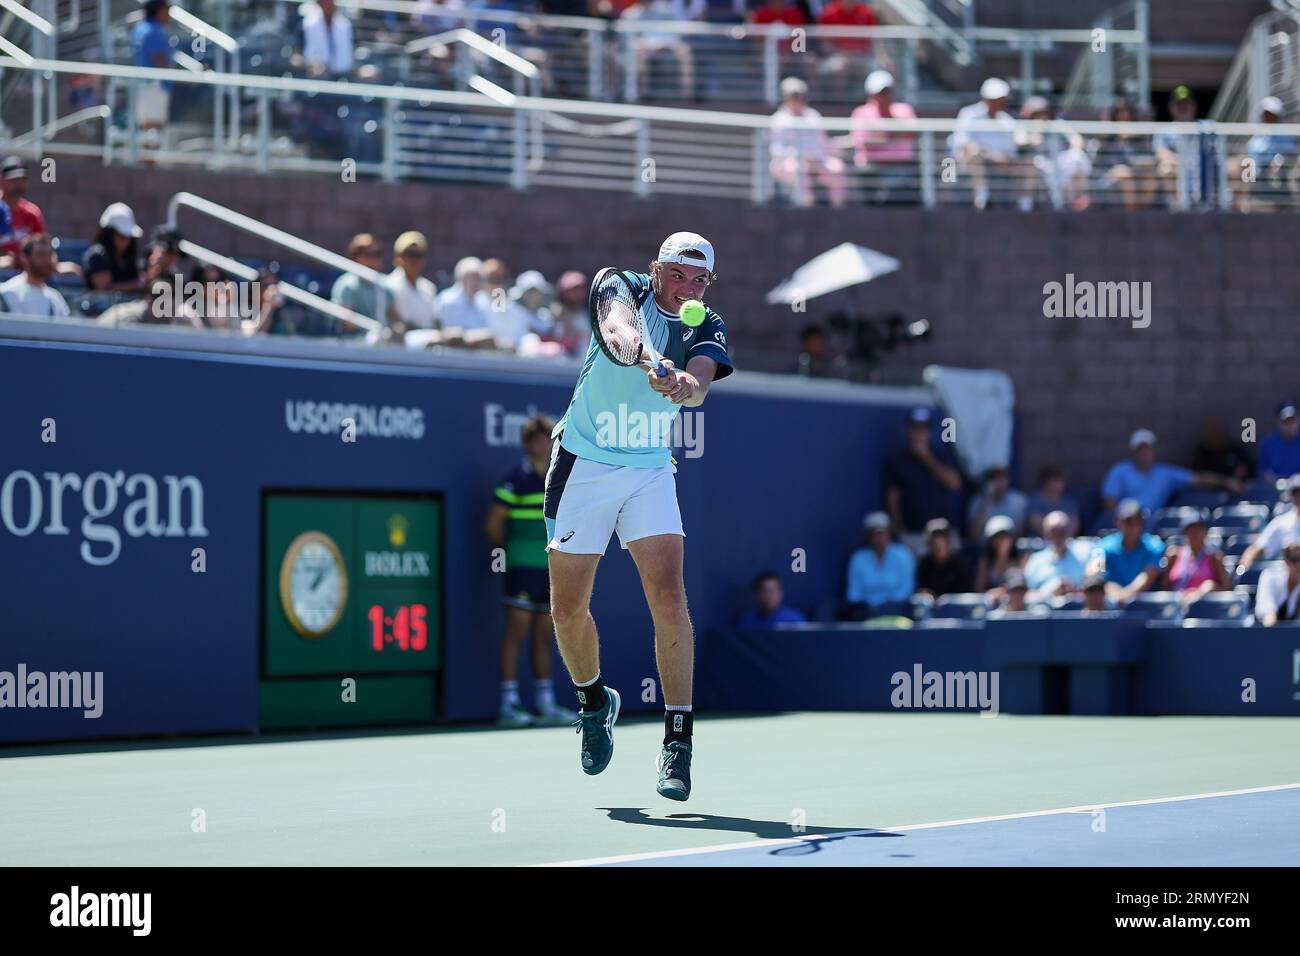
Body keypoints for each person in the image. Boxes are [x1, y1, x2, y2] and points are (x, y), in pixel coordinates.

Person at [545, 231, 733, 802]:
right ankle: (594, 699)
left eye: (699, 279)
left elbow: (700, 382)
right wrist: (653, 360)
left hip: (649, 467)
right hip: (583, 463)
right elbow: (621, 333)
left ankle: (679, 742)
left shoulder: (707, 322)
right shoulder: (617, 284)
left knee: (669, 598)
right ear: (656, 269)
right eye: (679, 275)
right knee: (567, 610)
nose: (689, 288)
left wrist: (685, 383)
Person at [484, 415, 574, 728]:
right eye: (536, 439)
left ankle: (544, 703)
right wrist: (514, 551)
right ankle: (508, 704)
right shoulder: (515, 480)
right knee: (516, 633)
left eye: (546, 438)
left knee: (544, 635)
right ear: (526, 444)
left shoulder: (555, 479)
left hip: (549, 569)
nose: (542, 444)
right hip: (521, 568)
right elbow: (493, 524)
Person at [1101, 428, 1243, 523]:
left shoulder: (1165, 473)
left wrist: (1227, 482)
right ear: (1133, 452)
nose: (1144, 454)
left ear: (1153, 451)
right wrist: (1124, 522)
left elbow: (1198, 478)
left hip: (1151, 526)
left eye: (1147, 449)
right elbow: (1109, 500)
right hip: (1123, 524)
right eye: (1140, 450)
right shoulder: (1119, 471)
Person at [883, 406, 962, 551]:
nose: (920, 433)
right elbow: (893, 497)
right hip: (914, 534)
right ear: (908, 430)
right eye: (916, 428)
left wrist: (926, 457)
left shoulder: (940, 454)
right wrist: (899, 528)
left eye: (924, 428)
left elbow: (954, 483)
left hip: (943, 534)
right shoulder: (898, 460)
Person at [952, 77, 1032, 211]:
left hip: (1004, 164)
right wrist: (990, 156)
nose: (997, 103)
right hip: (976, 162)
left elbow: (1014, 147)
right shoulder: (969, 114)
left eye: (1000, 99)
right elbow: (962, 143)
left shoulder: (1007, 120)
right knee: (973, 153)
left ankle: (1026, 206)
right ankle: (982, 196)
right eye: (993, 99)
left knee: (1031, 164)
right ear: (984, 98)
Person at [769, 77, 847, 208]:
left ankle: (837, 209)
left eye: (800, 96)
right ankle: (806, 208)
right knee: (800, 171)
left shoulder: (813, 115)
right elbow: (777, 151)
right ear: (785, 97)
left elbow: (824, 142)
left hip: (817, 161)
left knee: (837, 168)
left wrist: (840, 145)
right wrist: (802, 158)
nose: (797, 99)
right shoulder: (779, 120)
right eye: (793, 96)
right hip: (788, 164)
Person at [850, 70, 917, 201]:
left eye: (887, 91)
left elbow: (912, 133)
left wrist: (881, 135)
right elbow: (864, 141)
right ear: (870, 93)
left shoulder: (904, 109)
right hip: (872, 166)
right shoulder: (861, 113)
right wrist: (894, 136)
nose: (884, 96)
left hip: (902, 165)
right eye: (880, 92)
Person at [1089, 499, 1166, 604]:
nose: (1132, 527)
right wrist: (1109, 588)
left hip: (1144, 608)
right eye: (1128, 522)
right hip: (1109, 605)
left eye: (1137, 522)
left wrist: (1124, 595)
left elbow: (1147, 577)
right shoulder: (1103, 547)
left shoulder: (1154, 546)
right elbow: (1094, 574)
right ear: (1117, 522)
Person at [845, 511, 916, 618]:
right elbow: (854, 593)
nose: (880, 538)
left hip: (896, 610)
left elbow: (906, 589)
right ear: (869, 536)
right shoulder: (858, 558)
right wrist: (870, 606)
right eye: (876, 534)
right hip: (865, 612)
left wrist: (885, 606)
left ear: (890, 533)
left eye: (884, 533)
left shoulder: (903, 554)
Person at [1093, 98, 1156, 211]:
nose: (1124, 116)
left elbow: (1150, 161)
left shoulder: (1139, 141)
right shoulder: (1107, 141)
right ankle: (1133, 218)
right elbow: (1097, 170)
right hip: (1108, 181)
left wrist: (1131, 166)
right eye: (1120, 114)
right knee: (1124, 175)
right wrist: (1113, 173)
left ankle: (1141, 214)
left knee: (1149, 177)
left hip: (1135, 179)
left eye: (1127, 113)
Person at [1163, 511, 1228, 607]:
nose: (1195, 533)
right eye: (1191, 529)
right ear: (1185, 533)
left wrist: (1207, 589)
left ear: (1205, 532)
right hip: (1175, 607)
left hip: (1204, 608)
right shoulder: (1173, 555)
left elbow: (1227, 590)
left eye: (1199, 529)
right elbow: (1164, 588)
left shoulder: (1215, 557)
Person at [1237, 474, 1300, 573]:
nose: (1299, 498)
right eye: (1296, 494)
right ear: (1291, 497)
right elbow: (1257, 547)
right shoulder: (1281, 522)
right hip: (1286, 580)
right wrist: (1243, 568)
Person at [330, 233, 392, 333]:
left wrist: (397, 329)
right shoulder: (346, 285)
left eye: (377, 254)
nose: (373, 260)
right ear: (355, 257)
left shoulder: (385, 285)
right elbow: (348, 325)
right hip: (353, 344)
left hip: (382, 343)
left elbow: (395, 317)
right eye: (367, 255)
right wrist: (376, 330)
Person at [385, 231, 438, 343]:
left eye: (419, 255)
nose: (415, 260)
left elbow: (433, 322)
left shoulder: (429, 288)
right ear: (398, 257)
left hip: (429, 342)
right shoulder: (388, 285)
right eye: (410, 254)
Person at [1023, 510, 1088, 602]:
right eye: (1053, 531)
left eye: (1062, 531)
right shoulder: (1035, 560)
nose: (1058, 536)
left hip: (1078, 612)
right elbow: (1025, 596)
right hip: (1043, 613)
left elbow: (1096, 589)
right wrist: (1049, 593)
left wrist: (1075, 591)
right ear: (1045, 533)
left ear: (1070, 531)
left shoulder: (1086, 554)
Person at [0, 234, 71, 319]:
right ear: (24, 258)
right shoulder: (6, 293)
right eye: (41, 255)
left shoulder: (56, 299)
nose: (47, 260)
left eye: (49, 255)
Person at [131, 0, 173, 140]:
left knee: (147, 125)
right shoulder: (154, 31)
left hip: (144, 83)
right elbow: (159, 58)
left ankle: (146, 158)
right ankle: (148, 160)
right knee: (154, 127)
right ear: (159, 11)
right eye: (166, 10)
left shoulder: (141, 28)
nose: (169, 15)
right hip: (155, 84)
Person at [83, 203, 143, 294]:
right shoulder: (97, 255)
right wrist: (137, 285)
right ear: (109, 235)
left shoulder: (127, 258)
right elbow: (104, 289)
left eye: (129, 237)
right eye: (121, 236)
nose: (126, 242)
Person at [0, 156, 49, 267]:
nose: (19, 184)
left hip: (27, 268)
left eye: (22, 180)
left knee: (72, 270)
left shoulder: (32, 212)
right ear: (1, 181)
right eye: (13, 180)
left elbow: (43, 245)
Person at [966, 464, 1028, 541]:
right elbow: (974, 535)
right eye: (994, 478)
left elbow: (1019, 532)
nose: (999, 482)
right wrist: (987, 501)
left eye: (1002, 477)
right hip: (984, 548)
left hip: (1011, 547)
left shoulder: (1019, 501)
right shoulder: (976, 502)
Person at [914, 518, 970, 598]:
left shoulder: (961, 563)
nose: (939, 548)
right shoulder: (924, 563)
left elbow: (965, 593)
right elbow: (921, 589)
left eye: (942, 542)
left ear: (949, 542)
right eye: (935, 544)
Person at [435, 256, 491, 331]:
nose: (476, 282)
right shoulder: (447, 300)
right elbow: (449, 332)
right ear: (460, 277)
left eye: (479, 278)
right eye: (472, 277)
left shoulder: (483, 300)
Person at [973, 515, 1024, 597]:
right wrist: (990, 594)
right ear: (991, 541)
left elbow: (1021, 588)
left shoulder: (1020, 560)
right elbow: (979, 590)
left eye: (1005, 537)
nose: (1002, 541)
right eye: (998, 537)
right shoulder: (985, 562)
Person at [1254, 536, 1300, 626]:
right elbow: (1268, 618)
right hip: (1266, 636)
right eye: (1295, 559)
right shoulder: (1270, 577)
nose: (1299, 565)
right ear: (1286, 561)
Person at [738, 571, 808, 628]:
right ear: (757, 594)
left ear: (781, 593)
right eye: (766, 591)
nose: (771, 595)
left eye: (776, 590)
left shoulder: (794, 619)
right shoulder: (747, 620)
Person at [1026, 464, 1079, 537]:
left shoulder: (1069, 502)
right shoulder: (1036, 500)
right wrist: (1053, 540)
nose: (1058, 484)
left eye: (1061, 480)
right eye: (1055, 480)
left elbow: (1074, 525)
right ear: (1045, 482)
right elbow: (1035, 524)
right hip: (1039, 542)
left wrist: (1061, 541)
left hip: (1063, 542)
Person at [545, 270, 590, 356]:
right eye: (573, 290)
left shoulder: (584, 313)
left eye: (580, 289)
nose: (577, 293)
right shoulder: (554, 312)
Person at [1258, 402, 1300, 485]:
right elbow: (1262, 472)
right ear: (1278, 422)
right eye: (1286, 422)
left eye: (1292, 421)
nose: (1290, 425)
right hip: (1274, 491)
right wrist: (1275, 481)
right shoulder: (1267, 444)